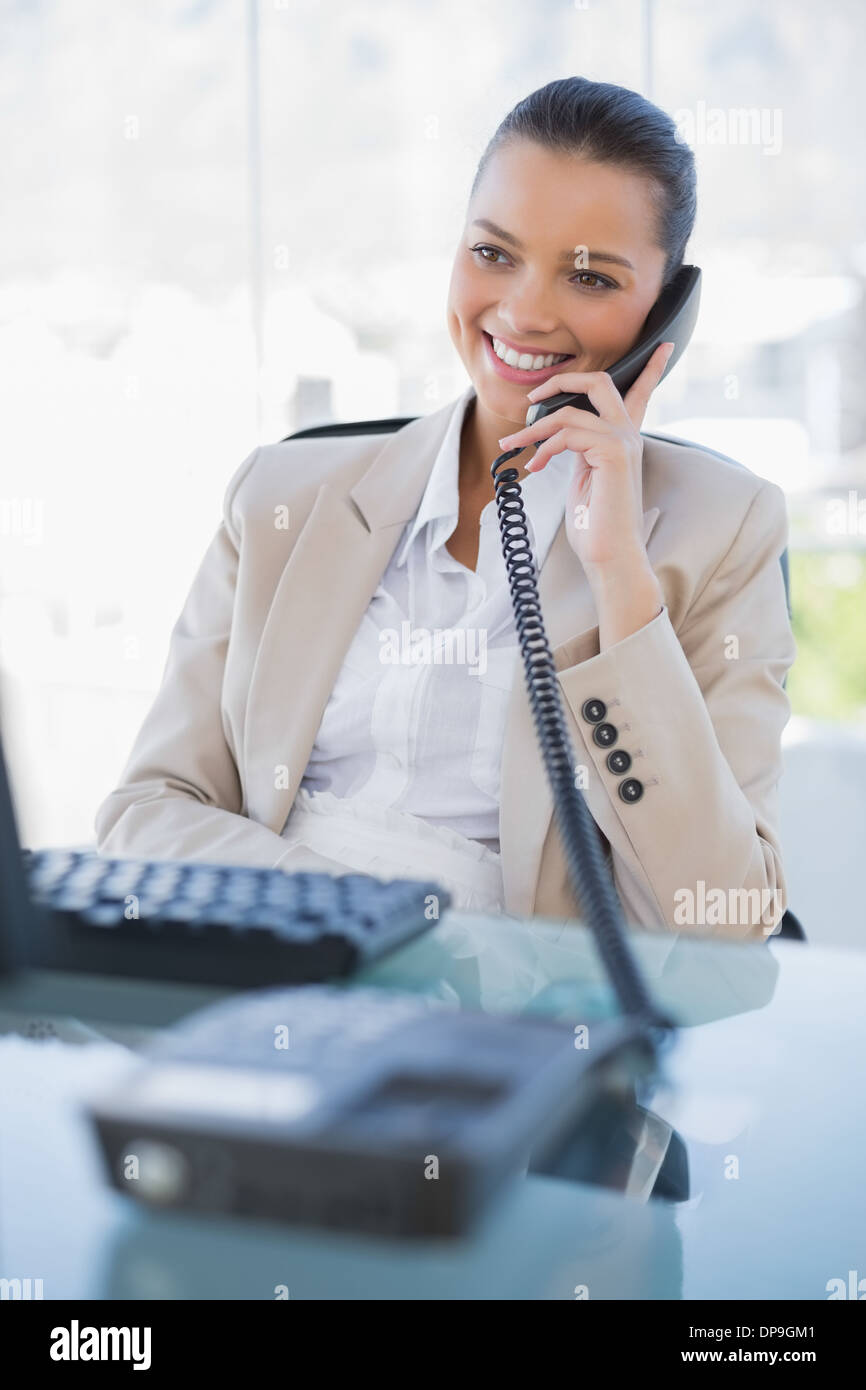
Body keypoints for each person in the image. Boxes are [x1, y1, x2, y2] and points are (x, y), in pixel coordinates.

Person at [94, 76, 796, 939]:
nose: (524, 311)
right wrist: (349, 917)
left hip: (512, 1026)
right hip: (268, 974)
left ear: (667, 315)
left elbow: (716, 920)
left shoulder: (722, 530)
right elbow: (148, 811)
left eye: (591, 277)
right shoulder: (281, 496)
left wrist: (619, 579)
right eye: (494, 254)